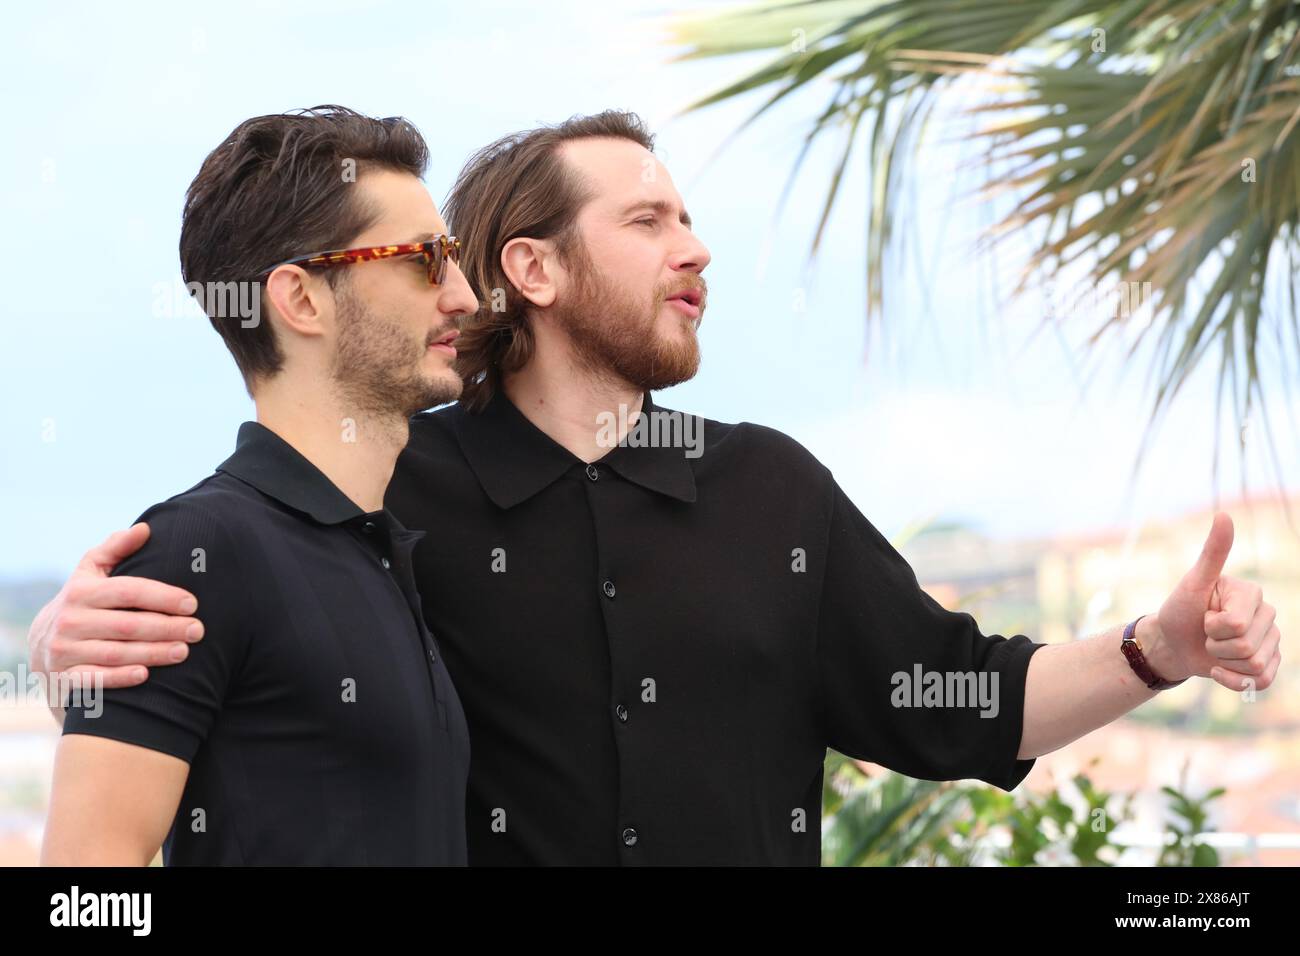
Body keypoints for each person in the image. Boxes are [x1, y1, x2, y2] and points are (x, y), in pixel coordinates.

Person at [31, 110, 1282, 866]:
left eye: (689, 218)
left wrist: (1150, 647)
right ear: (533, 266)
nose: (694, 248)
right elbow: (234, 579)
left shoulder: (772, 491)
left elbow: (960, 698)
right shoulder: (390, 498)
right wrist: (70, 646)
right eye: (647, 220)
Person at [40, 106, 477, 865]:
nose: (465, 295)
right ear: (300, 298)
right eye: (424, 259)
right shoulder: (194, 551)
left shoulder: (380, 552)